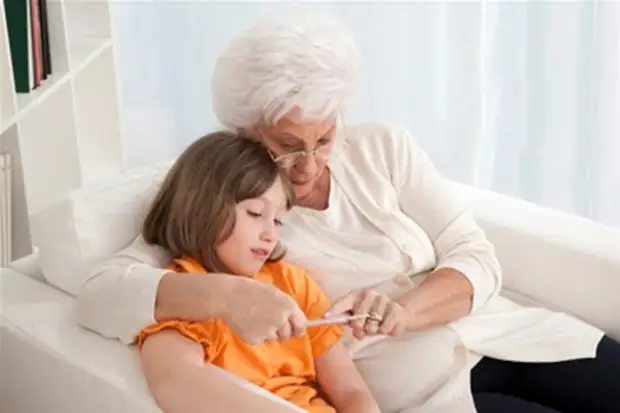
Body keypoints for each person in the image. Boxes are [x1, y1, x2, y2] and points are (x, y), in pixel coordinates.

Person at [77, 9, 620, 413]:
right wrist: (230, 296)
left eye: (325, 137)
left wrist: (406, 308)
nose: (308, 164)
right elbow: (102, 294)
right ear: (244, 129)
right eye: (286, 145)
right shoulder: (229, 199)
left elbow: (476, 254)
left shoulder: (385, 147)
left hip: (511, 333)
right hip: (431, 393)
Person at [137, 131, 381, 413]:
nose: (270, 235)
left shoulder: (293, 284)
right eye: (255, 214)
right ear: (204, 207)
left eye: (278, 221)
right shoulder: (190, 295)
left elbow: (351, 391)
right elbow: (172, 380)